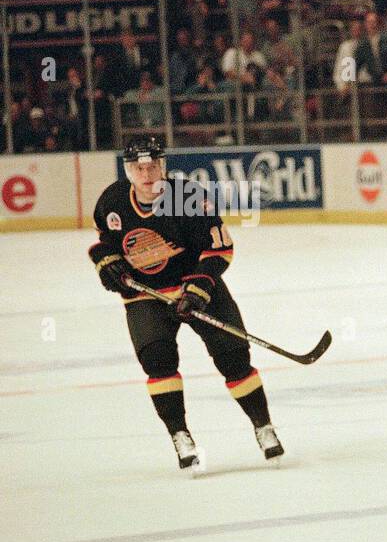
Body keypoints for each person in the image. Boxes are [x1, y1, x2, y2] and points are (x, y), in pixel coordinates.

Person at [87, 137, 283, 472]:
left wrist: (196, 290)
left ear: (163, 165)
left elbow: (219, 250)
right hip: (146, 295)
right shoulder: (113, 200)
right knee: (157, 358)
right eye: (138, 168)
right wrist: (107, 263)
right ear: (128, 170)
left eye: (152, 166)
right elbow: (104, 244)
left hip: (196, 287)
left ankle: (263, 425)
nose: (147, 174)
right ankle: (180, 434)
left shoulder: (187, 197)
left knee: (233, 354)